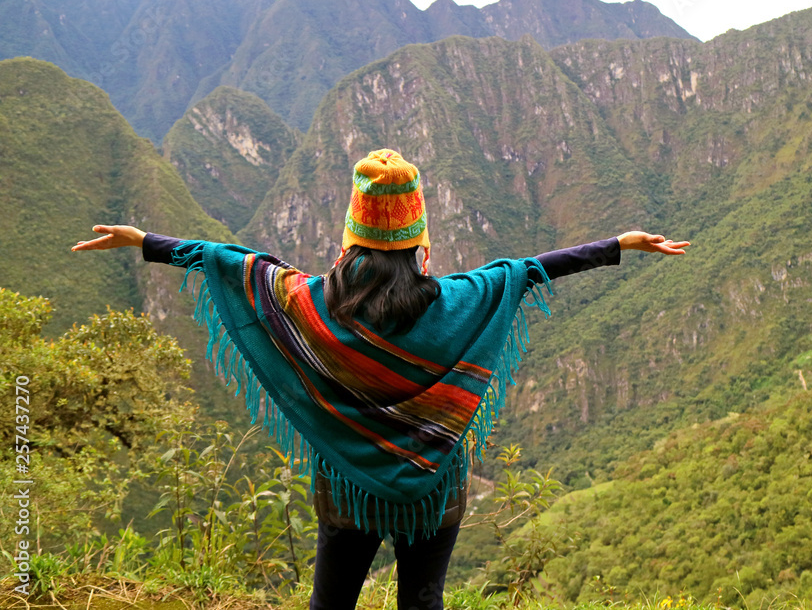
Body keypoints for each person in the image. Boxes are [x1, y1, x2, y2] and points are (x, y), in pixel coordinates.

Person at [72, 148, 689, 610]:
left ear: (351, 239)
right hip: (434, 491)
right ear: (419, 239)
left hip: (347, 491)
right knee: (422, 603)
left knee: (331, 605)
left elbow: (238, 266)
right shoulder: (459, 299)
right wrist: (617, 244)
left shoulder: (309, 302)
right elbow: (528, 270)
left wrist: (147, 242)